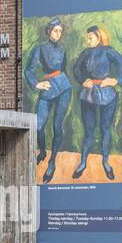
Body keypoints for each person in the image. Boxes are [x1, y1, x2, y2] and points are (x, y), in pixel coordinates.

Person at [70, 25, 122, 179]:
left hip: (107, 94)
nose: (88, 40)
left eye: (91, 37)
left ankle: (106, 163)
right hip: (88, 94)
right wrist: (82, 81)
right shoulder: (85, 53)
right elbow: (76, 70)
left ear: (99, 37)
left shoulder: (108, 51)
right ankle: (82, 162)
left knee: (105, 129)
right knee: (89, 131)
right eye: (87, 37)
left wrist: (115, 80)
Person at [23, 18, 71, 183]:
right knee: (39, 126)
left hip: (64, 88)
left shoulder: (64, 50)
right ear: (49, 31)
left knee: (57, 125)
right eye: (55, 30)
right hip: (48, 88)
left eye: (60, 31)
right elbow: (28, 70)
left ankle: (52, 161)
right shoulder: (40, 48)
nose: (58, 34)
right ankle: (42, 152)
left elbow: (63, 69)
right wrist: (37, 83)